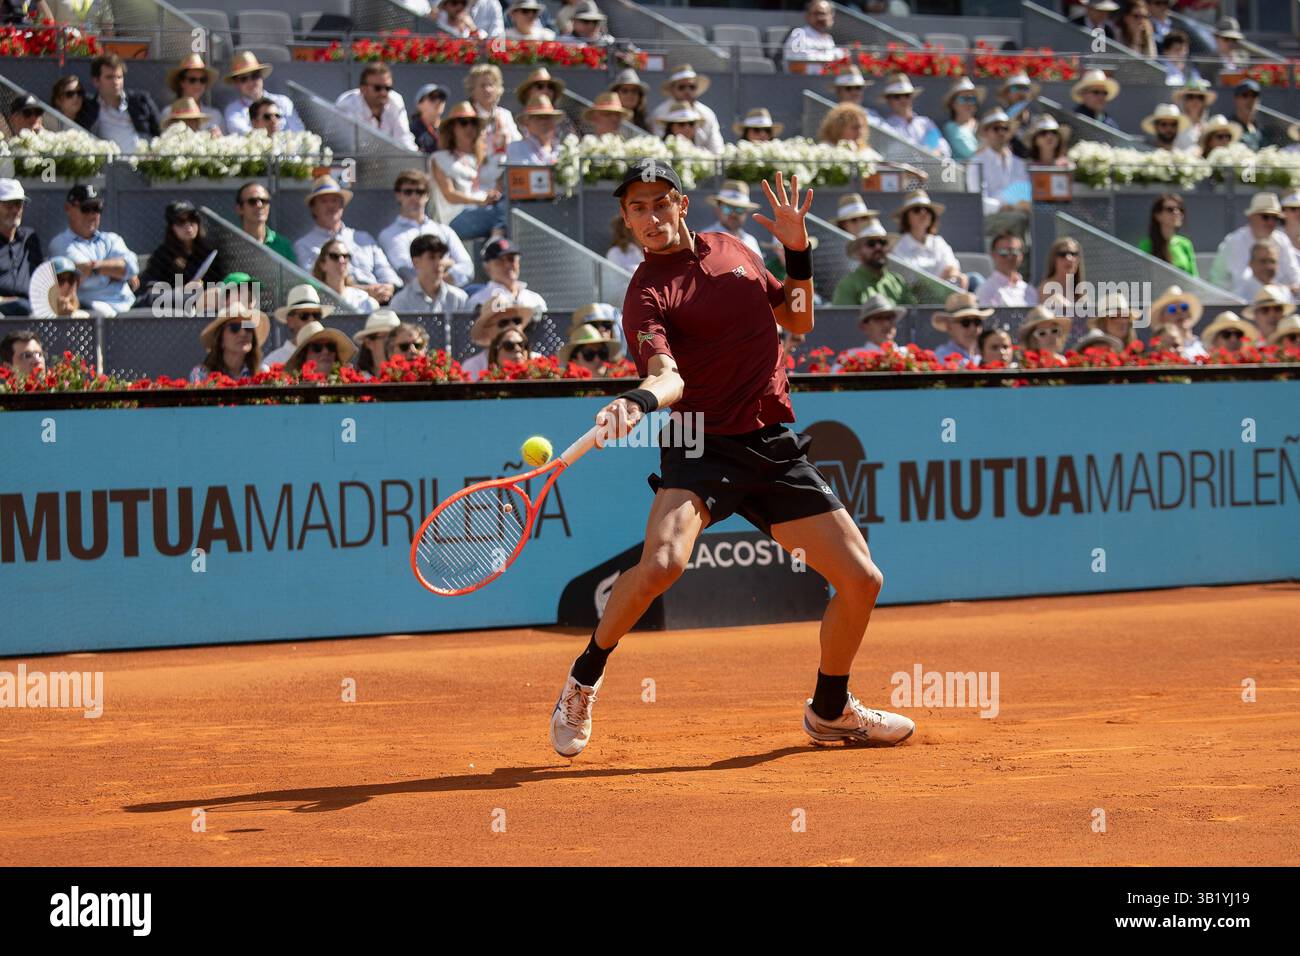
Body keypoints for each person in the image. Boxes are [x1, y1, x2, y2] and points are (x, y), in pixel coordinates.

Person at [546, 160, 913, 759]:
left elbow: (797, 317)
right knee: (662, 564)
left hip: (769, 440)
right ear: (625, 218)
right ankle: (584, 678)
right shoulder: (646, 293)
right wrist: (639, 399)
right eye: (636, 208)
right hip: (699, 440)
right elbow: (668, 376)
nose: (650, 217)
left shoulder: (734, 249)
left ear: (681, 204)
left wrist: (797, 253)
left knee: (861, 580)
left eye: (659, 203)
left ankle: (829, 711)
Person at [295, 175, 400, 305]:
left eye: (335, 201)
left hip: (380, 303)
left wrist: (388, 287)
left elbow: (384, 268)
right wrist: (365, 292)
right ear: (313, 208)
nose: (331, 206)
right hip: (337, 305)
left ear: (342, 206)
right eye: (324, 201)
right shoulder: (304, 245)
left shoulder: (364, 238)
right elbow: (316, 284)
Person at [48, 184, 138, 316]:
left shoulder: (112, 239)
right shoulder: (60, 243)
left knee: (173, 299)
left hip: (129, 302)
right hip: (93, 308)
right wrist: (116, 272)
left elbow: (132, 267)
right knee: (103, 313)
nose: (92, 215)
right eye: (86, 208)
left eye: (96, 208)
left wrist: (95, 268)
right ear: (68, 208)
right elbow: (84, 278)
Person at [379, 170, 472, 287]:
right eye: (408, 192)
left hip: (452, 293)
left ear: (427, 195)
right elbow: (406, 270)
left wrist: (444, 279)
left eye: (420, 192)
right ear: (398, 195)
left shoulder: (444, 230)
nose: (414, 197)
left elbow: (467, 266)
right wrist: (448, 263)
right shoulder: (389, 234)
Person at [431, 101, 505, 240]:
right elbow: (449, 195)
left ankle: (496, 238)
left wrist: (491, 196)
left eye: (473, 123)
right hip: (453, 218)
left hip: (478, 210)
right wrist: (481, 201)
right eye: (463, 122)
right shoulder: (439, 158)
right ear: (452, 127)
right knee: (505, 211)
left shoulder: (479, 158)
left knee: (506, 202)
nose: (469, 127)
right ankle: (497, 237)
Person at [136, 200, 226, 309]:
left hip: (205, 309)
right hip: (172, 311)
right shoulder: (163, 255)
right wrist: (183, 291)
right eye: (181, 221)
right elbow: (151, 291)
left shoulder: (208, 253)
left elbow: (219, 283)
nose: (188, 225)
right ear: (172, 227)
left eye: (193, 218)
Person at [1209, 193, 1300, 294]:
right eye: (1265, 217)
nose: (1270, 222)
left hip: (1274, 300)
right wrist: (1282, 290)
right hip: (1233, 302)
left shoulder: (1281, 239)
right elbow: (1242, 282)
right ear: (1251, 217)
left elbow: (1294, 275)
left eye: (1275, 218)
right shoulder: (1236, 241)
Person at [76, 53, 161, 152]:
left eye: (119, 77)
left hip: (144, 162)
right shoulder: (88, 107)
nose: (115, 82)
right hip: (109, 166)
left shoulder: (140, 101)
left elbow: (160, 132)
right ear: (96, 81)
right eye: (109, 77)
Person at [967, 109, 1031, 236]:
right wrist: (1002, 206)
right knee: (1020, 219)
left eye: (1005, 128)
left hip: (1019, 214)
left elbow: (1024, 193)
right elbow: (977, 199)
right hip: (989, 218)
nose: (1001, 132)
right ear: (985, 132)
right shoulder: (976, 162)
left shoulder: (1019, 163)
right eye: (996, 128)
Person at [890, 191, 969, 290]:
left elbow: (952, 268)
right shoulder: (898, 247)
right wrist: (941, 279)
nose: (923, 213)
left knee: (973, 278)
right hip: (916, 301)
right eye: (917, 210)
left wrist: (953, 274)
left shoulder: (938, 242)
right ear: (906, 217)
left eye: (927, 209)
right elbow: (911, 283)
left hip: (946, 294)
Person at [334, 63, 418, 151]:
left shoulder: (395, 101)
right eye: (377, 88)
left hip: (387, 159)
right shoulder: (348, 104)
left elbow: (403, 138)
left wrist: (416, 161)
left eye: (388, 88)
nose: (383, 93)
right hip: (353, 160)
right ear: (363, 89)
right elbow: (347, 145)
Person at [832, 219, 915, 307]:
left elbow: (912, 317)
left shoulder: (898, 281)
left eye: (882, 242)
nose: (878, 247)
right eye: (871, 243)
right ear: (858, 251)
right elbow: (842, 319)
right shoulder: (848, 285)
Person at [222, 51, 303, 136]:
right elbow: (243, 134)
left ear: (261, 77)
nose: (251, 82)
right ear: (236, 84)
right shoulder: (233, 110)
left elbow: (298, 132)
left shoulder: (282, 101)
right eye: (244, 79)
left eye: (255, 76)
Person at [649, 65, 723, 155]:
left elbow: (716, 147)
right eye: (682, 87)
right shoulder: (659, 113)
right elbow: (658, 144)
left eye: (692, 87)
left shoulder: (708, 113)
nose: (687, 91)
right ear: (672, 89)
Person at [389, 234, 470, 314]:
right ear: (416, 262)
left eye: (441, 257)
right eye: (432, 257)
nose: (439, 263)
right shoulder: (400, 302)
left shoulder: (459, 298)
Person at [466, 237, 548, 314]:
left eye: (511, 259)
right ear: (487, 267)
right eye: (500, 261)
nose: (508, 265)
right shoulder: (479, 301)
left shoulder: (535, 299)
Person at [190, 303, 269, 382]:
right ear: (220, 340)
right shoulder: (202, 374)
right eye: (235, 327)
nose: (243, 333)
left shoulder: (262, 372)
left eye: (248, 326)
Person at [879, 73, 951, 158]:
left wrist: (935, 153)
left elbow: (944, 147)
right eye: (897, 96)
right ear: (888, 100)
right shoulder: (884, 126)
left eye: (907, 95)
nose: (903, 99)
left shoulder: (926, 123)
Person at [462, 294, 537, 374]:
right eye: (503, 323)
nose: (512, 326)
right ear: (487, 330)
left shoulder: (539, 362)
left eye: (516, 321)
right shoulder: (473, 367)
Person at [264, 284, 334, 368]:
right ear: (290, 321)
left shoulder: (330, 358)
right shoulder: (273, 362)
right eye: (304, 315)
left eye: (316, 315)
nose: (311, 320)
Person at [0, 178, 42, 316]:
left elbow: (42, 276)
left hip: (31, 307)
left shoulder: (30, 237)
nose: (15, 210)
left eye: (18, 204)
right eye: (8, 205)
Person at [832, 294, 908, 368]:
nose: (886, 324)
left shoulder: (909, 355)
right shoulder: (849, 358)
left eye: (889, 318)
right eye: (878, 318)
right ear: (864, 327)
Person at [466, 64, 520, 159]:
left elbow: (517, 142)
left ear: (498, 88)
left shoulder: (505, 114)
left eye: (491, 85)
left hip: (503, 168)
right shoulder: (467, 114)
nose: (487, 90)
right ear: (472, 89)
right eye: (482, 86)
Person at [234, 182, 295, 264]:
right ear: (239, 209)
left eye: (264, 201)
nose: (259, 205)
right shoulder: (231, 244)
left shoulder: (283, 245)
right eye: (252, 201)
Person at [312, 239, 378, 315]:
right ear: (322, 264)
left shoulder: (363, 299)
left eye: (345, 256)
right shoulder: (314, 300)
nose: (342, 261)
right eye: (334, 256)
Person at [1137, 193, 1198, 276]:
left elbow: (1194, 279)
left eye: (1181, 209)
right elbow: (1142, 279)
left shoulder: (1185, 244)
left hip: (1184, 289)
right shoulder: (1146, 245)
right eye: (1170, 209)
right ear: (1157, 215)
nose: (1176, 212)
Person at [700, 180, 763, 258]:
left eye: (740, 209)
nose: (733, 214)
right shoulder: (704, 239)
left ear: (746, 212)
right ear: (717, 209)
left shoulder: (751, 241)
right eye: (727, 208)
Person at [164, 53, 222, 134]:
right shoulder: (169, 113)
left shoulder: (215, 115)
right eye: (192, 80)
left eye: (202, 80)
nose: (198, 84)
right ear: (182, 82)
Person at [977, 231, 1037, 307]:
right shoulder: (986, 290)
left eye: (1014, 252)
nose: (1010, 257)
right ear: (993, 255)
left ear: (1021, 255)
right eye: (1003, 252)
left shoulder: (1030, 291)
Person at [931, 292, 992, 365]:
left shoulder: (983, 356)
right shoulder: (942, 356)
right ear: (949, 326)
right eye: (965, 322)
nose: (973, 328)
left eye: (977, 322)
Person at [1148, 285, 1207, 358]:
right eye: (1172, 309)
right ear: (1162, 318)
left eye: (1184, 307)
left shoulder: (1205, 345)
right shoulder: (1159, 350)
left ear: (1190, 313)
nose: (1179, 312)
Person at [506, 94, 563, 165]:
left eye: (548, 117)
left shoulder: (563, 151)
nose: (543, 121)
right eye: (538, 117)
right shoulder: (516, 148)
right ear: (526, 122)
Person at [284, 319, 357, 375]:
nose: (326, 351)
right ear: (303, 356)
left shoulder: (349, 389)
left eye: (330, 346)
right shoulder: (291, 393)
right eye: (317, 347)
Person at [783, 0, 842, 69]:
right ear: (807, 16)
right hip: (807, 79)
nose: (820, 18)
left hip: (826, 78)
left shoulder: (828, 38)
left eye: (823, 14)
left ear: (831, 16)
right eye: (816, 14)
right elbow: (797, 64)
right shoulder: (799, 35)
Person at [941, 77, 984, 161]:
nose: (968, 103)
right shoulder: (950, 128)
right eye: (963, 99)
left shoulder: (982, 125)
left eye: (972, 99)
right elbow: (971, 154)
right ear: (953, 104)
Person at [816, 103, 880, 159]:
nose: (860, 132)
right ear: (838, 128)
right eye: (855, 127)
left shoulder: (869, 154)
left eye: (862, 127)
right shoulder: (823, 151)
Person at [350, 309, 402, 375]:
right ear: (368, 343)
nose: (394, 343)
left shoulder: (411, 377)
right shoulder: (358, 382)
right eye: (388, 337)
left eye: (397, 338)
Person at [1038, 237, 1086, 304]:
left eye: (1073, 253)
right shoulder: (1046, 288)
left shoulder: (1081, 290)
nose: (1069, 258)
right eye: (1062, 254)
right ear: (1054, 259)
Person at [1173, 78, 1215, 151]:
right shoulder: (1174, 125)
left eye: (1200, 97)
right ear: (1184, 100)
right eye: (1190, 96)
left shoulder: (1208, 127)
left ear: (1204, 102)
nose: (1195, 100)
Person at [410, 83, 448, 154]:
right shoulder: (411, 131)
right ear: (419, 104)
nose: (438, 101)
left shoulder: (449, 129)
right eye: (433, 97)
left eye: (442, 97)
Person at [1230, 80, 1268, 151]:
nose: (1250, 100)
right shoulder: (1228, 129)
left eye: (1254, 95)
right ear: (1236, 99)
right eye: (1245, 95)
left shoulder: (1261, 130)